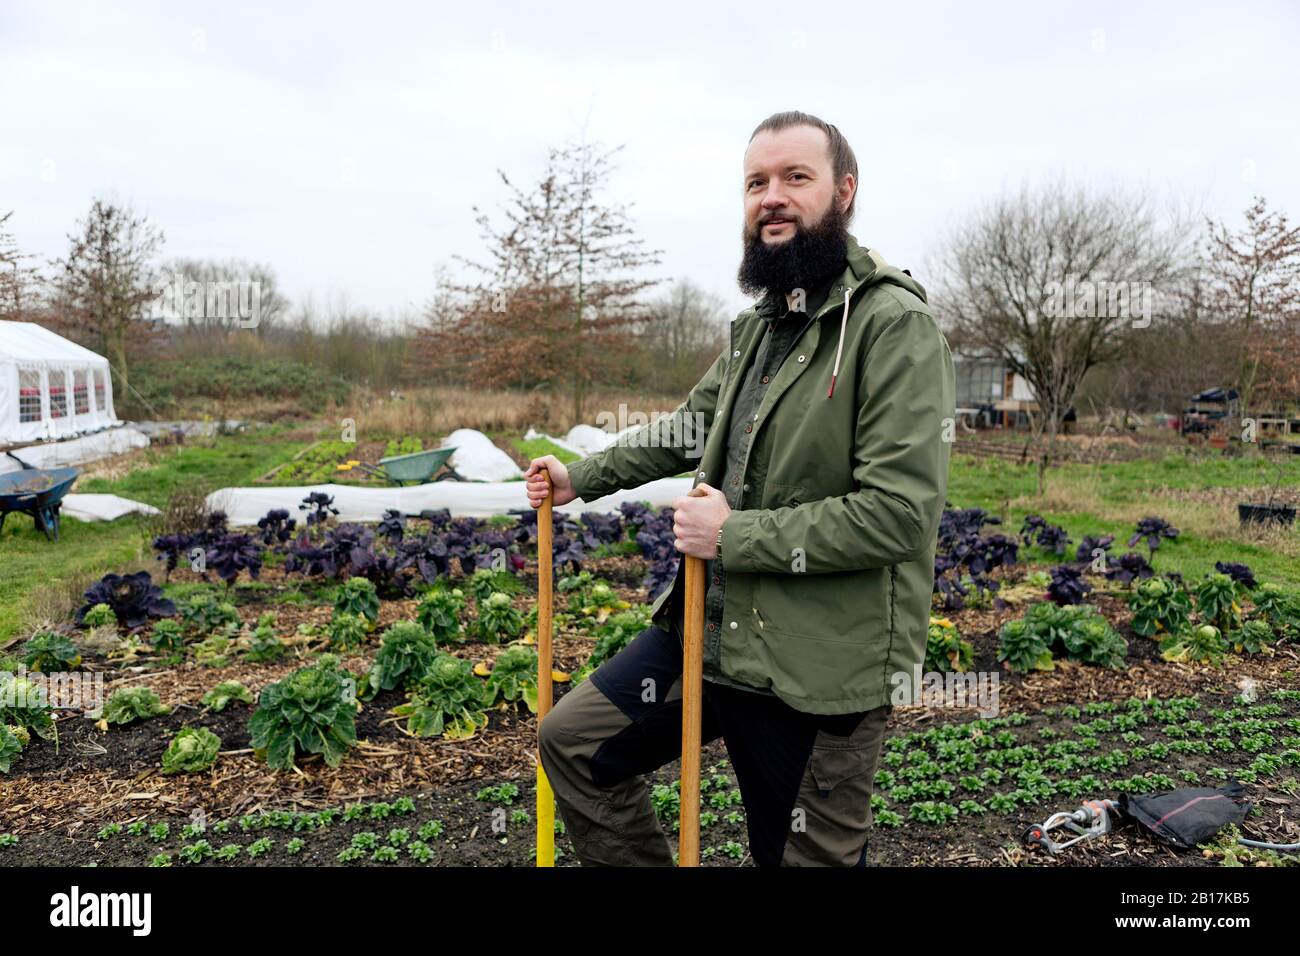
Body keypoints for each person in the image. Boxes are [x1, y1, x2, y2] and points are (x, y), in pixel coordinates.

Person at [524, 111, 955, 866]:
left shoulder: (892, 326)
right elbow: (688, 429)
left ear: (845, 191)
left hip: (816, 667)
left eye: (796, 177)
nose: (771, 197)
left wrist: (732, 536)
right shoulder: (758, 328)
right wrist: (578, 478)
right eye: (756, 183)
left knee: (797, 855)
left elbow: (898, 516)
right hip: (712, 634)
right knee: (575, 743)